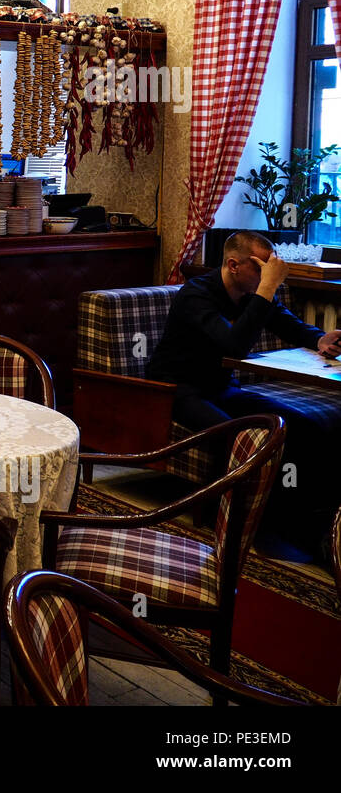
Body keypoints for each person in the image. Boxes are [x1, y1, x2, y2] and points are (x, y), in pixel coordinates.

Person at [146, 230, 341, 554]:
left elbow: (285, 322)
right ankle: (246, 525)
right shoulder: (196, 295)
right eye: (261, 269)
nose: (268, 276)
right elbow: (235, 345)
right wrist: (268, 286)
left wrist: (319, 339)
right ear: (234, 265)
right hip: (177, 390)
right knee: (245, 437)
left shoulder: (251, 293)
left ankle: (309, 525)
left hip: (222, 388)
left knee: (306, 426)